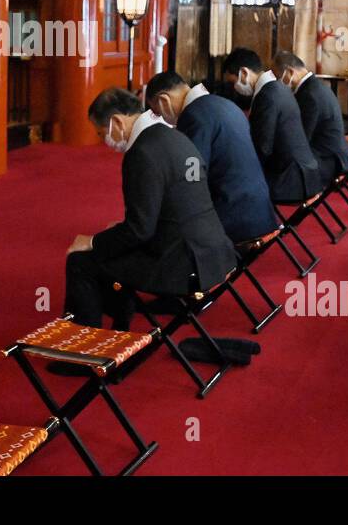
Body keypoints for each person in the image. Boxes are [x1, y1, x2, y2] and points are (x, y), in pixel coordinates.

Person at [65, 87, 235, 329]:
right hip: (214, 251)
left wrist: (92, 241)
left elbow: (139, 231)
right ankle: (119, 326)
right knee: (114, 245)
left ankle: (84, 352)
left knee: (81, 260)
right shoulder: (174, 135)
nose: (104, 140)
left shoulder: (142, 153)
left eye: (102, 132)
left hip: (184, 262)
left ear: (116, 121)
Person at [145, 70, 279, 245]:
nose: (164, 120)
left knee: (163, 236)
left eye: (158, 113)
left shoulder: (193, 115)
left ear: (164, 101)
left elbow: (192, 178)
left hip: (235, 217)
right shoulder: (223, 103)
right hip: (260, 210)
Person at [221, 47, 322, 203]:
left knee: (228, 185)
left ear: (244, 73)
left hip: (290, 180)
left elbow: (263, 148)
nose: (234, 88)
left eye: (232, 82)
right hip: (305, 174)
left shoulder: (267, 95)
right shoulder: (278, 88)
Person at [272, 50, 348, 188]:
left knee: (271, 170)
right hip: (332, 155)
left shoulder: (309, 95)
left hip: (328, 161)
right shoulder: (314, 86)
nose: (278, 82)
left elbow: (301, 140)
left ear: (290, 72)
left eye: (278, 77)